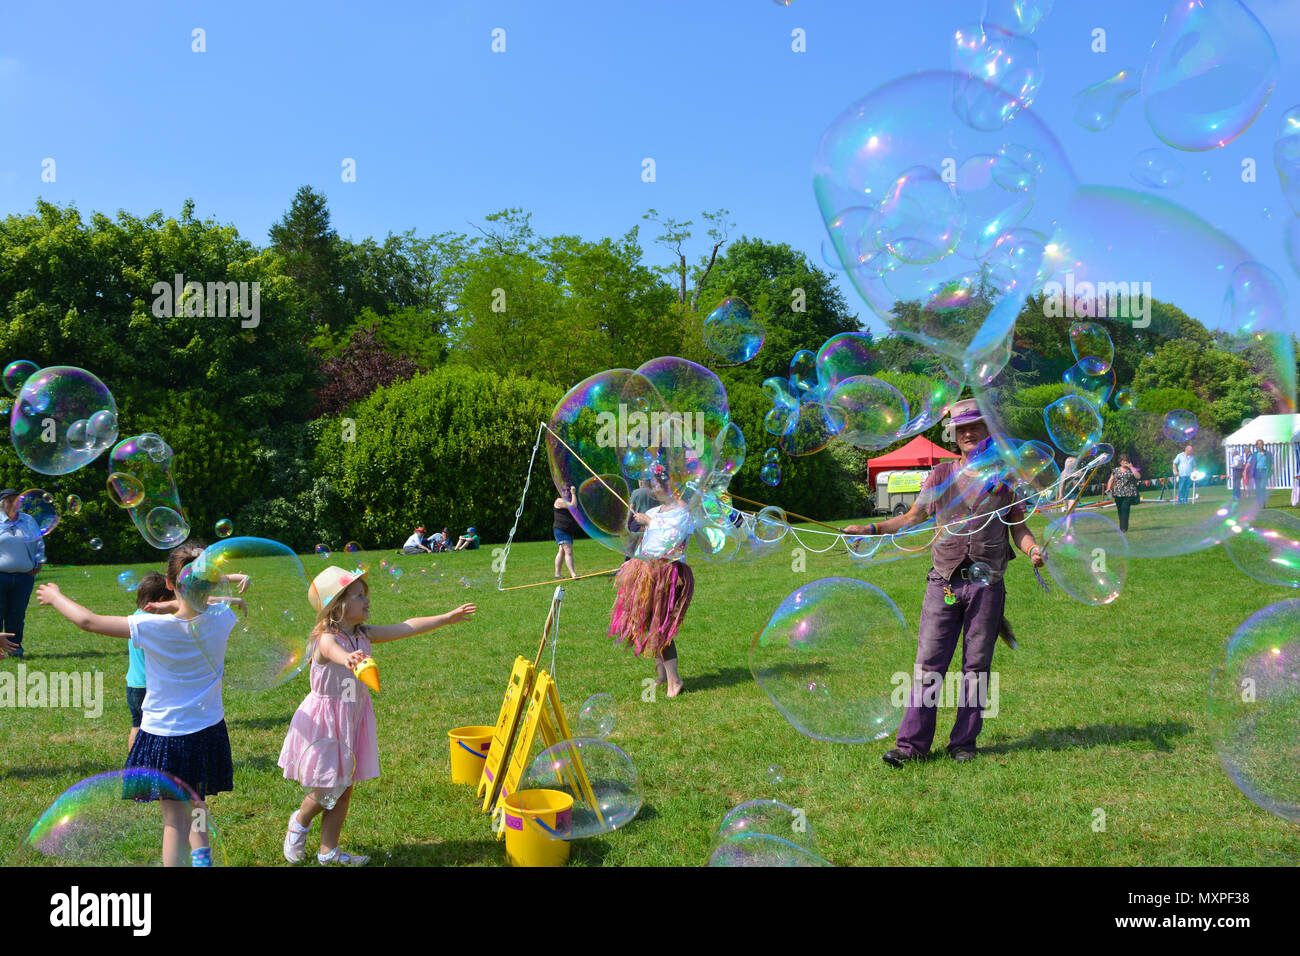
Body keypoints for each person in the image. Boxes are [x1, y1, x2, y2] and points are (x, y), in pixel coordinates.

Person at [845, 399, 1045, 766]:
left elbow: (1019, 526)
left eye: (976, 426)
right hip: (944, 583)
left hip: (987, 585)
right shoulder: (940, 476)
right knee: (928, 665)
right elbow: (911, 518)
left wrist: (1032, 550)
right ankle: (911, 747)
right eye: (962, 428)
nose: (968, 433)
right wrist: (870, 529)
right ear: (954, 436)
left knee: (976, 667)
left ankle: (964, 744)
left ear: (987, 431)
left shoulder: (1004, 477)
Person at [36, 542, 237, 866]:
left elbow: (88, 621)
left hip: (165, 736)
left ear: (169, 584)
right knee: (197, 802)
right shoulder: (223, 618)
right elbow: (208, 603)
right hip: (207, 731)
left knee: (174, 821)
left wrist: (55, 595)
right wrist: (173, 605)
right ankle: (202, 859)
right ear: (211, 583)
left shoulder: (150, 627)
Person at [279, 566, 476, 865]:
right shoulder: (326, 637)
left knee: (344, 788)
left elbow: (407, 626)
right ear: (339, 604)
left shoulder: (363, 634)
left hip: (352, 716)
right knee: (328, 786)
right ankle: (300, 820)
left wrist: (446, 618)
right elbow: (333, 652)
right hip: (327, 719)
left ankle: (328, 851)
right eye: (359, 596)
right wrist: (348, 658)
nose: (367, 601)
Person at [609, 465, 695, 698]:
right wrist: (638, 522)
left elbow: (673, 537)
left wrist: (649, 521)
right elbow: (646, 537)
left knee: (660, 624)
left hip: (667, 572)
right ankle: (662, 675)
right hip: (647, 569)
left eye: (657, 483)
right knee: (646, 621)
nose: (653, 487)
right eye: (653, 483)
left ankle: (674, 681)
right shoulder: (657, 510)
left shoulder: (682, 511)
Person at [126, 572, 174, 751]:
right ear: (161, 600)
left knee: (137, 726)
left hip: (133, 685)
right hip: (150, 687)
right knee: (157, 730)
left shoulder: (135, 618)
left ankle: (134, 764)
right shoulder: (152, 624)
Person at [0, 488, 45, 659]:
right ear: (2, 504)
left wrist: (39, 564)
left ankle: (15, 649)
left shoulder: (28, 521)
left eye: (16, 500)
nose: (13, 503)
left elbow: (39, 544)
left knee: (17, 615)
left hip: (23, 578)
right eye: (9, 500)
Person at [1104, 454, 1142, 533]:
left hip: (1128, 493)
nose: (1125, 462)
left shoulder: (1131, 469)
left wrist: (1131, 467)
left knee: (1125, 509)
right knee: (1120, 510)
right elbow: (1111, 479)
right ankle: (1121, 527)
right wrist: (1108, 488)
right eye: (1123, 461)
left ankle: (1124, 528)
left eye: (1126, 461)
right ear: (1120, 462)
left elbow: (1138, 477)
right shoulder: (1115, 470)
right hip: (1118, 493)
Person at [553, 485, 580, 579]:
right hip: (561, 529)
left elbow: (574, 504)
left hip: (567, 529)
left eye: (568, 491)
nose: (567, 492)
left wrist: (573, 495)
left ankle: (557, 574)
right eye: (564, 490)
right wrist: (573, 493)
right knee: (568, 551)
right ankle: (573, 574)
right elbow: (573, 505)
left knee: (562, 551)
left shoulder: (566, 501)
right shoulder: (559, 501)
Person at [1244, 439, 1273, 511]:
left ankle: (1263, 504)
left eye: (1261, 444)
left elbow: (1272, 463)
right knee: (1258, 489)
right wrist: (1245, 470)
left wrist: (1271, 471)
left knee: (1263, 487)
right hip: (1256, 472)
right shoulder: (1254, 454)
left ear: (1263, 445)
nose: (1260, 445)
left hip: (1264, 472)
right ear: (1256, 446)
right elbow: (1249, 463)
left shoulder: (1268, 453)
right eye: (1259, 444)